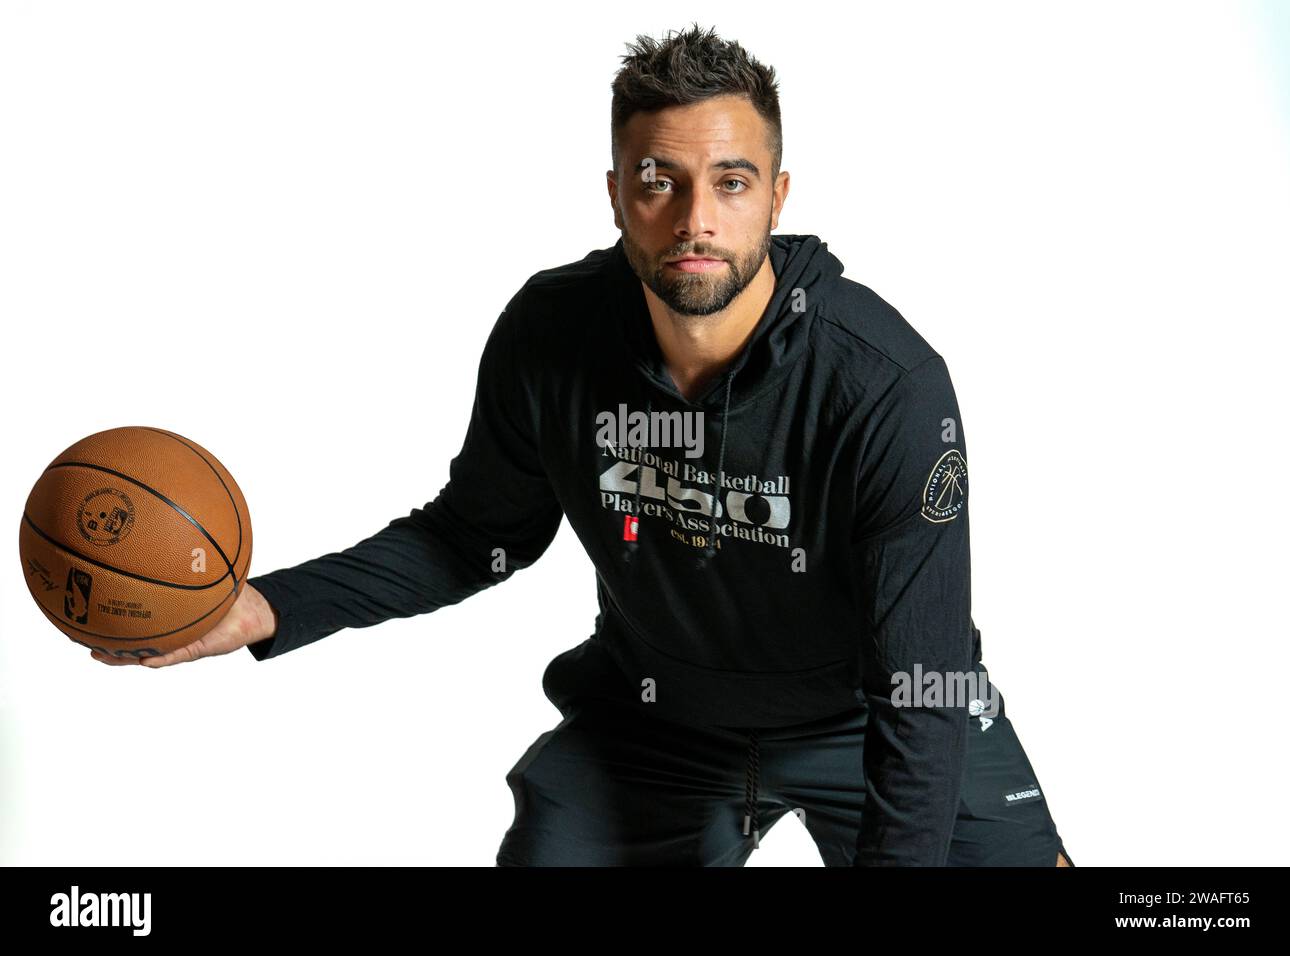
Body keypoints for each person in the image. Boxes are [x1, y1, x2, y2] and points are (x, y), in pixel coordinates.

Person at [92, 24, 1073, 868]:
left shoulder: (882, 385)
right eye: (660, 181)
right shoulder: (553, 335)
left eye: (729, 183)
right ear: (615, 194)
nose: (694, 218)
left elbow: (918, 684)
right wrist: (268, 606)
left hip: (869, 714)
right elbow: (474, 536)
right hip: (658, 720)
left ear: (777, 197)